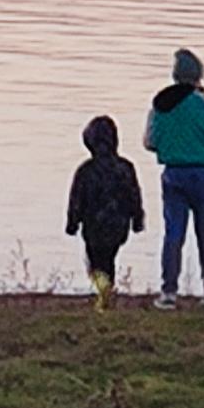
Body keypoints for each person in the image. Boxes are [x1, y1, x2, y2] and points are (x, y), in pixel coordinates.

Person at [143, 47, 204, 310]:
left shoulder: (160, 104)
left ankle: (168, 292)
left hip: (173, 174)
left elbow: (150, 142)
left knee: (173, 233)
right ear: (198, 76)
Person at [65, 114, 145, 310]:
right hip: (119, 224)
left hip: (94, 225)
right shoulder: (125, 167)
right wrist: (137, 219)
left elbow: (76, 199)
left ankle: (104, 293)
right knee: (108, 257)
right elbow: (134, 195)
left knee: (96, 260)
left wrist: (72, 223)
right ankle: (106, 291)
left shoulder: (86, 170)